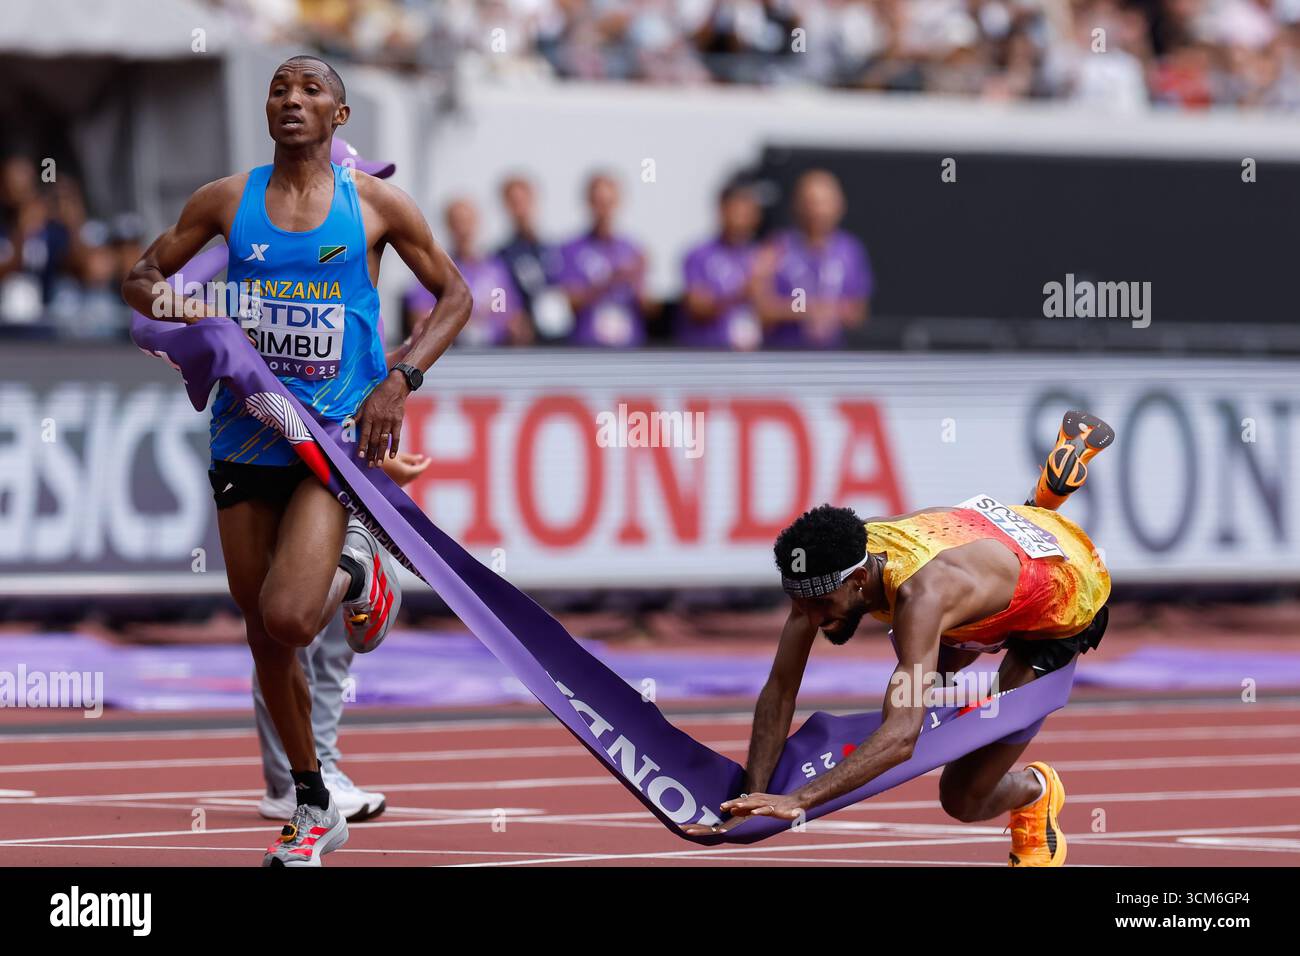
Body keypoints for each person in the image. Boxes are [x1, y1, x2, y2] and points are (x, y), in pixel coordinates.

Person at [122, 55, 471, 867]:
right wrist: (190, 309)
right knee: (265, 635)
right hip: (247, 437)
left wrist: (400, 380)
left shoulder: (375, 205)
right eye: (280, 87)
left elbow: (454, 295)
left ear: (340, 119)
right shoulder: (224, 201)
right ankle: (313, 805)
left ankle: (361, 565)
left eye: (311, 90)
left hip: (331, 443)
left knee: (290, 614)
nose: (291, 99)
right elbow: (143, 279)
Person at [685, 411, 1115, 867]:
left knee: (962, 797)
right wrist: (753, 798)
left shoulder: (921, 598)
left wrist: (799, 800)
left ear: (855, 583)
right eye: (800, 603)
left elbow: (901, 737)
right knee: (924, 674)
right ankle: (1038, 504)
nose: (808, 618)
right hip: (998, 542)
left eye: (819, 606)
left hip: (1062, 597)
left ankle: (1035, 790)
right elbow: (780, 688)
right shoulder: (835, 562)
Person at [750, 169, 872, 349]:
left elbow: (859, 311)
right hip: (784, 356)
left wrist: (832, 313)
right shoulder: (775, 248)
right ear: (797, 205)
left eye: (824, 202)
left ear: (839, 205)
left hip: (835, 359)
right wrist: (807, 311)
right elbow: (762, 310)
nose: (817, 210)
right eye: (810, 202)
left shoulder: (850, 250)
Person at [403, 197, 529, 346]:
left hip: (495, 353)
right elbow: (419, 318)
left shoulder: (496, 269)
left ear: (477, 223)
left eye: (467, 221)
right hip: (452, 353)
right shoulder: (433, 269)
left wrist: (514, 327)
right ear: (448, 226)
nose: (463, 229)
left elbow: (511, 315)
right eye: (456, 222)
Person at [556, 172, 653, 347]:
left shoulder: (634, 249)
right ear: (588, 203)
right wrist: (612, 279)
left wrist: (638, 281)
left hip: (629, 346)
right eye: (598, 203)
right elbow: (569, 302)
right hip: (586, 347)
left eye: (608, 203)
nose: (603, 210)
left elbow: (649, 307)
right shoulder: (570, 249)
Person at [676, 180, 762, 350]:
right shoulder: (699, 255)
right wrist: (741, 293)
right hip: (708, 355)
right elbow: (697, 308)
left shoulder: (761, 256)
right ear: (721, 210)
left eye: (747, 212)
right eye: (735, 210)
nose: (741, 218)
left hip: (753, 356)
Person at [495, 175, 571, 342]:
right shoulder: (500, 256)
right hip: (526, 342)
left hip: (562, 339)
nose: (520, 209)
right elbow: (496, 296)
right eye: (514, 203)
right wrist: (508, 316)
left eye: (524, 201)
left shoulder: (554, 249)